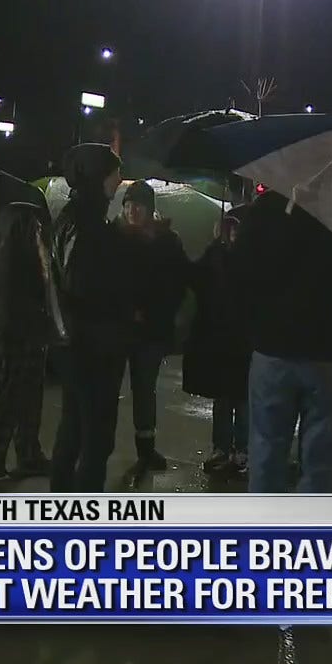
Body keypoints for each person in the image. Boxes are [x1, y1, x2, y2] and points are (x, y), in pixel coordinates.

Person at [234, 189, 332, 493]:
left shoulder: (269, 207)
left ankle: (262, 534)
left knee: (265, 454)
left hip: (273, 348)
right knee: (321, 465)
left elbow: (241, 273)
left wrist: (255, 326)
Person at [49, 144, 132, 493]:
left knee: (73, 427)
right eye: (114, 173)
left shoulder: (71, 218)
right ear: (99, 176)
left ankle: (62, 499)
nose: (119, 180)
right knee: (96, 436)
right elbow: (87, 288)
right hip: (94, 346)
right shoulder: (90, 227)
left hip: (75, 344)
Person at [117, 181, 191, 471]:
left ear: (150, 208)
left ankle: (145, 448)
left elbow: (178, 283)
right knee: (108, 388)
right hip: (118, 327)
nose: (133, 210)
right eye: (128, 205)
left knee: (144, 388)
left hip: (150, 331)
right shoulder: (115, 237)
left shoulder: (167, 241)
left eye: (138, 205)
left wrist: (156, 311)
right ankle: (101, 442)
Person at [0, 201, 54, 480]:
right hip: (12, 337)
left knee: (27, 399)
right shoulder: (13, 261)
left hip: (22, 336)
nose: (37, 231)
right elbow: (17, 306)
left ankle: (28, 455)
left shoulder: (16, 256)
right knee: (10, 400)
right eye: (32, 226)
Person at [184, 210, 251, 477]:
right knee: (223, 399)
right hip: (221, 341)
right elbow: (195, 278)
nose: (232, 235)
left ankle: (242, 449)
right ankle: (222, 448)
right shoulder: (214, 256)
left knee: (242, 400)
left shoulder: (250, 261)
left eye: (237, 230)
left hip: (243, 342)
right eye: (228, 229)